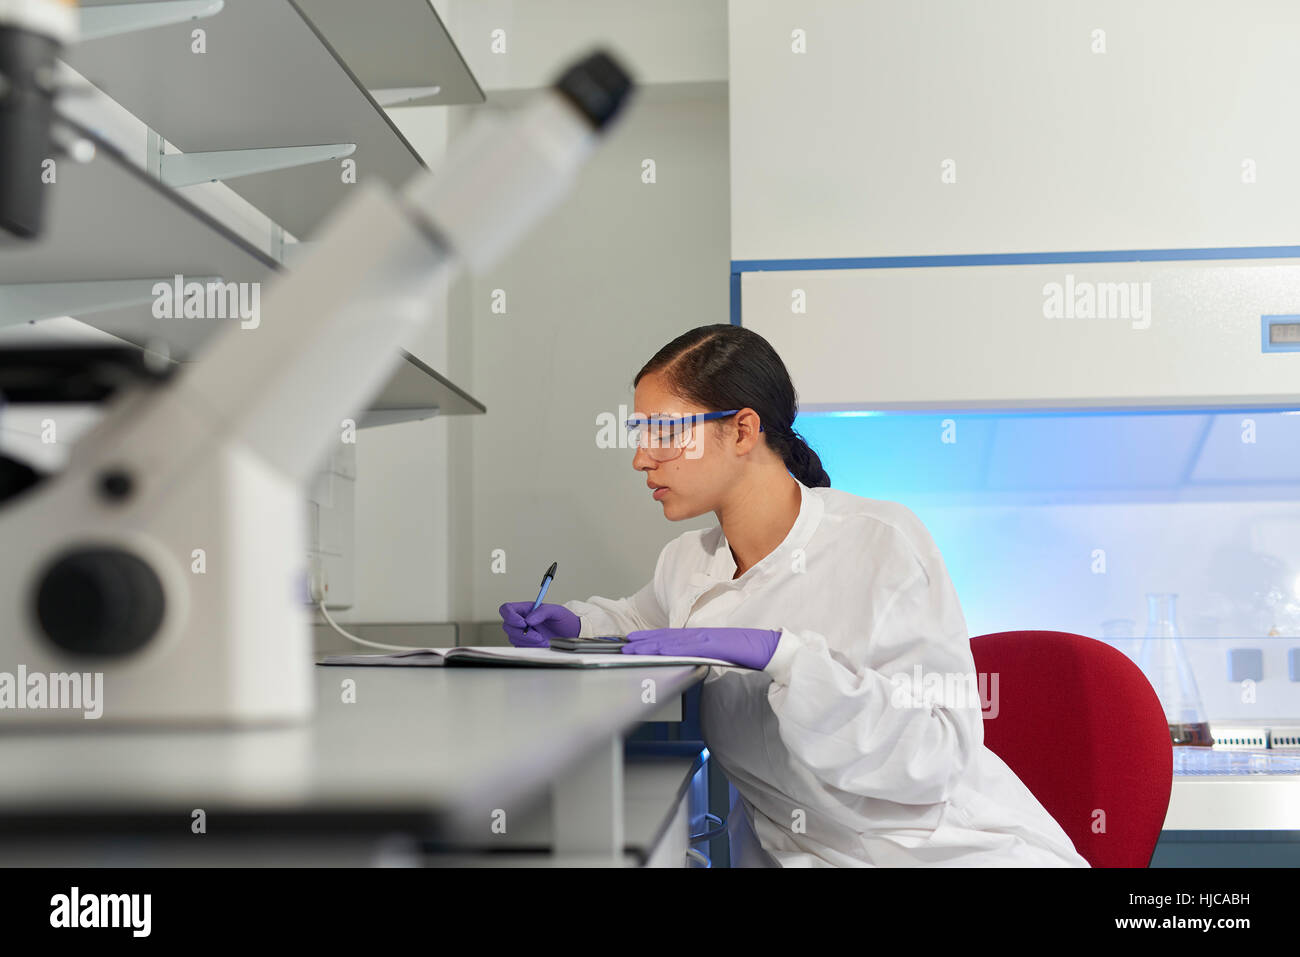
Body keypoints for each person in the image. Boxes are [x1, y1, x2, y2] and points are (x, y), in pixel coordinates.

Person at [499, 324, 1089, 868]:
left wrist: (787, 658)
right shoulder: (688, 562)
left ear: (743, 430)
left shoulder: (879, 542)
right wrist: (573, 624)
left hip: (948, 855)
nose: (640, 457)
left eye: (665, 433)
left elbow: (936, 756)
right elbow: (639, 619)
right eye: (639, 433)